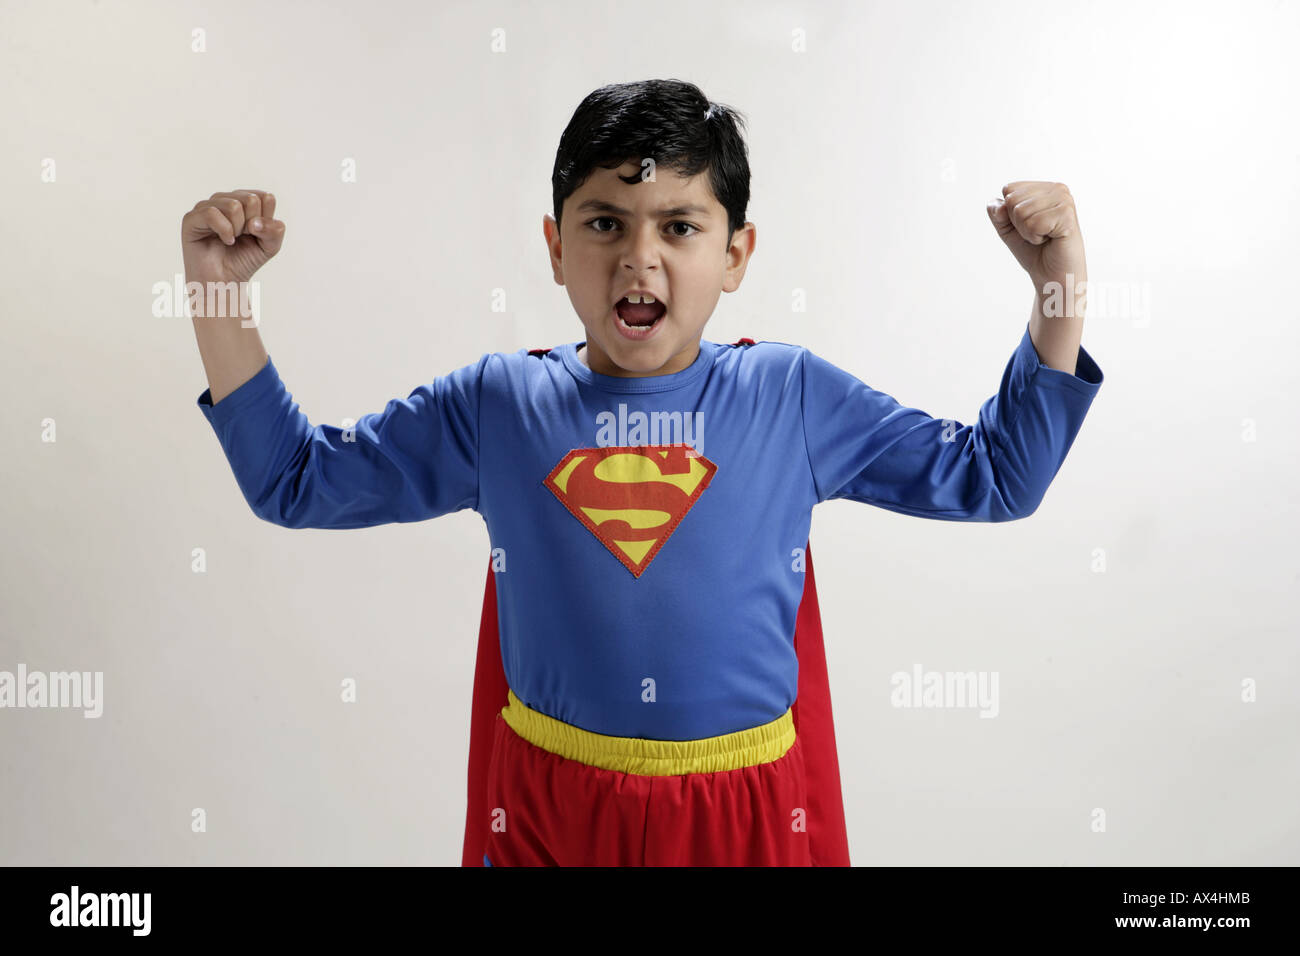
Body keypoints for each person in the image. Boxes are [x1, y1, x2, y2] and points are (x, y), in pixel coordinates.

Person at [185, 78, 1103, 866]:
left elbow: (997, 476)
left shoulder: (787, 396)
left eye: (679, 225)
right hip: (548, 816)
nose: (640, 256)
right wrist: (219, 296)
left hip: (743, 819)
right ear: (555, 247)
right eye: (604, 222)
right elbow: (296, 480)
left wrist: (1057, 281)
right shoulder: (500, 408)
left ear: (735, 254)